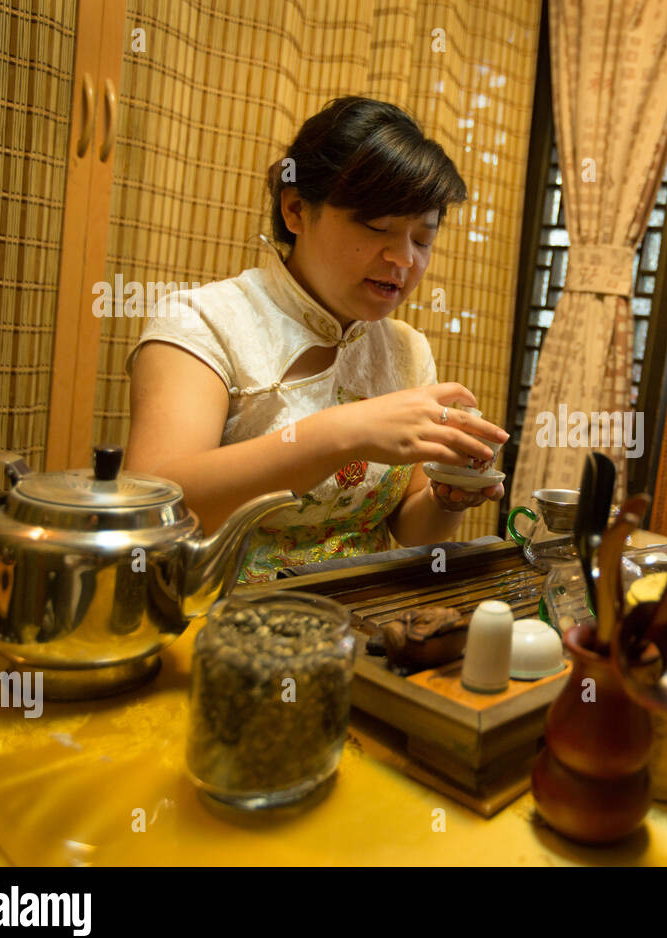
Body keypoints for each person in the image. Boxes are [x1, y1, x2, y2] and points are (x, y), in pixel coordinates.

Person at [125, 97, 507, 583]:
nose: (404, 259)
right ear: (296, 210)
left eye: (422, 239)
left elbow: (412, 531)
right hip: (222, 613)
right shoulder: (204, 323)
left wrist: (446, 497)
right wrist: (344, 432)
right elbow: (152, 509)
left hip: (363, 614)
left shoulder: (406, 350)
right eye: (378, 227)